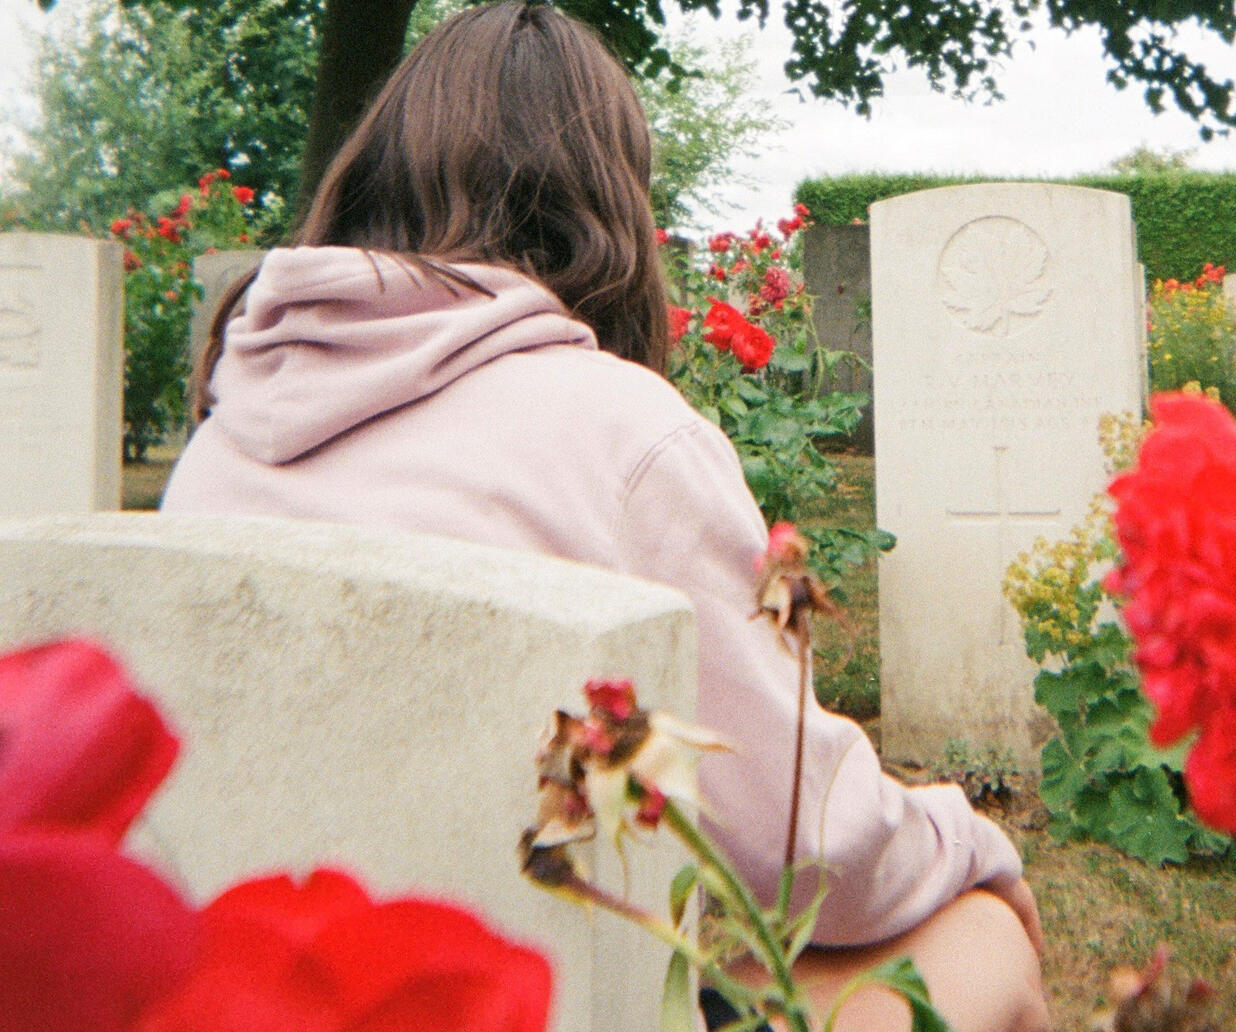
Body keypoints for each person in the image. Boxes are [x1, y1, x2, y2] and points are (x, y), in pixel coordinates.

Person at [161, 5, 1048, 1031]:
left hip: (263, 988)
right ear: (607, 198)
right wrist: (971, 844)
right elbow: (807, 848)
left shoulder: (224, 436)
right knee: (975, 936)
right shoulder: (624, 435)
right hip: (528, 1001)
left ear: (373, 171)